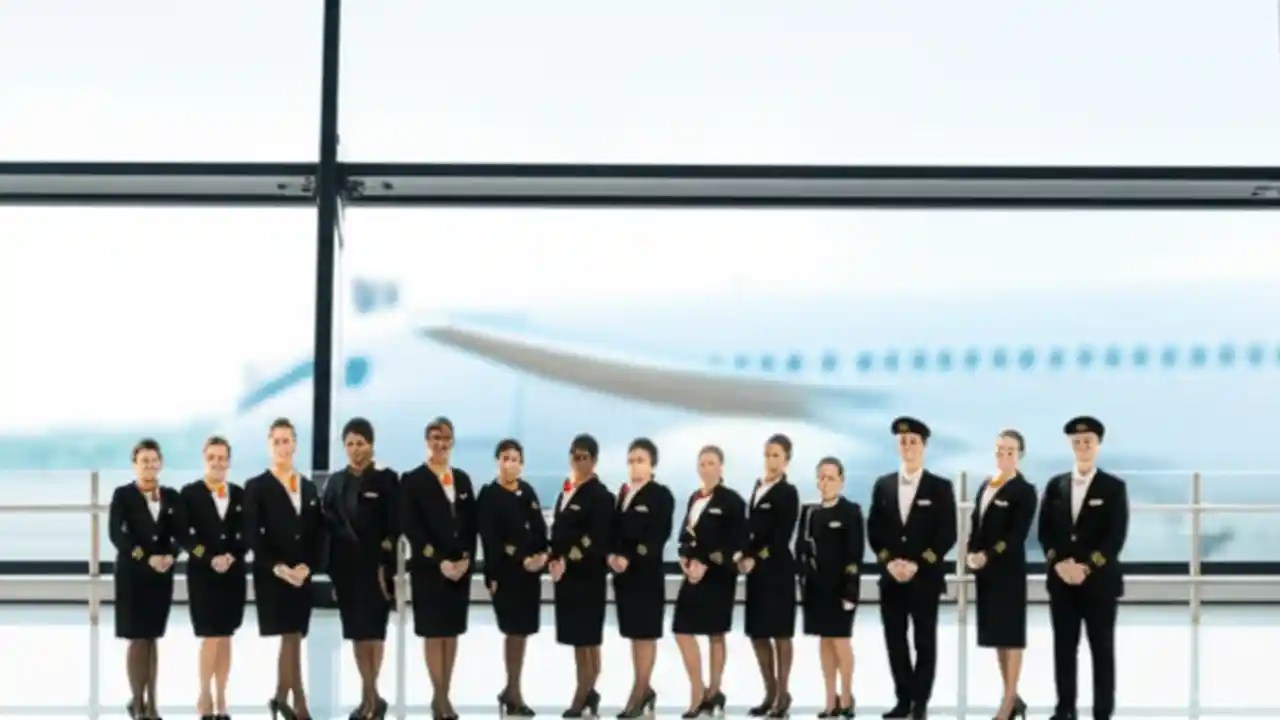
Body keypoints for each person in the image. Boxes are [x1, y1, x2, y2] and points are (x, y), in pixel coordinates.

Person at [1038, 416, 1129, 720]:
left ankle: (1102, 711)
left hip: (1099, 582)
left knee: (1101, 649)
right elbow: (1045, 532)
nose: (1082, 446)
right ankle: (1065, 709)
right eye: (1077, 442)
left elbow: (1115, 537)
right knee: (1064, 648)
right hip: (1061, 581)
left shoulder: (1114, 487)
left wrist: (1086, 567)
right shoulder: (1056, 485)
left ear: (1098, 444)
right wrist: (1060, 564)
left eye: (1088, 441)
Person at [867, 416, 958, 720]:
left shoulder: (940, 487)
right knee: (895, 641)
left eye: (913, 441)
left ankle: (920, 702)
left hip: (925, 578)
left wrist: (918, 563)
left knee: (924, 640)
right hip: (891, 578)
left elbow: (948, 534)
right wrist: (889, 561)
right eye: (903, 441)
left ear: (924, 446)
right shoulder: (883, 485)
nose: (908, 446)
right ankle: (903, 700)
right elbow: (874, 530)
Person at [242, 417, 326, 720]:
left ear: (295, 444)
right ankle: (300, 702)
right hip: (274, 574)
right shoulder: (256, 487)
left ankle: (279, 697)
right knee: (289, 633)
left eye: (286, 440)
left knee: (294, 635)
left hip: (301, 574)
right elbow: (252, 535)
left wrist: (308, 566)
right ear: (269, 445)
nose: (282, 446)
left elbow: (317, 532)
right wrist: (278, 568)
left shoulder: (307, 486)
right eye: (276, 441)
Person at [321, 418, 399, 720]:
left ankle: (371, 695)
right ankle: (370, 697)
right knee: (355, 632)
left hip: (376, 570)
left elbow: (395, 527)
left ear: (371, 444)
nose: (356, 449)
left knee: (374, 633)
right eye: (350, 444)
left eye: (361, 443)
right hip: (346, 570)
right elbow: (326, 524)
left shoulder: (386, 480)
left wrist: (386, 566)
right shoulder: (336, 482)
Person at [401, 416, 477, 720]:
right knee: (434, 633)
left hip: (460, 568)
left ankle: (445, 694)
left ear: (452, 442)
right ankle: (439, 697)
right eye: (435, 437)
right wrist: (439, 561)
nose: (440, 443)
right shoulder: (413, 480)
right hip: (429, 569)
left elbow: (471, 523)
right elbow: (411, 525)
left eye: (445, 438)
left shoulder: (462, 479)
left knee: (452, 633)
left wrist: (466, 559)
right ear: (427, 442)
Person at [965, 430, 1037, 720]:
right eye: (1000, 449)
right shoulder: (986, 485)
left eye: (1010, 450)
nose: (1004, 454)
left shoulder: (1024, 490)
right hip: (986, 573)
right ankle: (1012, 694)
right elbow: (976, 524)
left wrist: (989, 555)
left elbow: (1016, 535)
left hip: (1008, 571)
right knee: (997, 634)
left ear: (1020, 454)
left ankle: (1007, 702)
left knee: (1012, 635)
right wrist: (971, 552)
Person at [109, 438, 181, 720]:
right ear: (135, 464)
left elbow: (180, 533)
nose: (150, 465)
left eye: (154, 460)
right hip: (132, 574)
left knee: (153, 639)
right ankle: (138, 703)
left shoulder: (171, 496)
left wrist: (171, 555)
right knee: (137, 639)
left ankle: (152, 702)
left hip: (161, 575)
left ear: (160, 463)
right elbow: (117, 534)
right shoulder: (123, 495)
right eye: (144, 461)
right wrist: (145, 556)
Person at [672, 445, 745, 719]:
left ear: (721, 466)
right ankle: (697, 689)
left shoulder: (732, 501)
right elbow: (684, 537)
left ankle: (714, 692)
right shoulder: (694, 498)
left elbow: (737, 540)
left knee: (716, 633)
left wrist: (707, 562)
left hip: (719, 576)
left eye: (711, 463)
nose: (706, 468)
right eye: (702, 463)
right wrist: (685, 561)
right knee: (681, 630)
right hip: (692, 575)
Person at [477, 438, 548, 717]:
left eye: (515, 459)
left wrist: (541, 555)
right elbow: (491, 539)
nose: (510, 463)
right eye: (505, 458)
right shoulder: (489, 495)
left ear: (522, 463)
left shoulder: (527, 491)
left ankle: (512, 689)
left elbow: (539, 527)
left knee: (523, 633)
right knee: (513, 631)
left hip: (530, 575)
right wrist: (518, 560)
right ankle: (513, 692)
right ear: (498, 461)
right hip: (506, 574)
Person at [179, 436, 247, 720]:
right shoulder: (190, 493)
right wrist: (208, 557)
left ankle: (222, 696)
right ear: (204, 459)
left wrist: (232, 555)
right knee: (210, 636)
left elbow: (247, 533)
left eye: (222, 458)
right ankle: (204, 693)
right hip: (203, 575)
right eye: (212, 458)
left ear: (228, 461)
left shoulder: (240, 494)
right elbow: (184, 536)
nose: (217, 463)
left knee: (226, 635)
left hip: (232, 574)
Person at [549, 433, 615, 718]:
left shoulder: (601, 496)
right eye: (575, 456)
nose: (579, 461)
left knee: (588, 639)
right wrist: (553, 558)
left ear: (595, 460)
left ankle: (582, 693)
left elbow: (596, 538)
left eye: (585, 457)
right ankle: (589, 691)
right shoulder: (565, 491)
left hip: (587, 576)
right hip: (566, 578)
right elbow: (557, 532)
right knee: (579, 639)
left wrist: (568, 558)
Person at [609, 437, 675, 718]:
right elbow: (612, 531)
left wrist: (630, 556)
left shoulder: (660, 495)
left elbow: (658, 535)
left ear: (652, 465)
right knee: (634, 635)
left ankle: (639, 692)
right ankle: (644, 689)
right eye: (632, 460)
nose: (635, 465)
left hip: (646, 575)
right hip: (623, 578)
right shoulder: (622, 494)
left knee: (646, 635)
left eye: (641, 460)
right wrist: (611, 556)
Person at [796, 457, 864, 718]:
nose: (825, 483)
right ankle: (829, 699)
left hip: (840, 589)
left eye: (831, 478)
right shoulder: (809, 512)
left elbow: (854, 553)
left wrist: (850, 589)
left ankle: (846, 696)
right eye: (821, 478)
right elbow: (800, 548)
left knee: (841, 642)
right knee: (824, 643)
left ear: (841, 481)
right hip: (815, 588)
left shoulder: (851, 511)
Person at [739, 433, 800, 718]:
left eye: (776, 455)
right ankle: (771, 692)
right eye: (767, 454)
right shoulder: (758, 487)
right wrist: (742, 555)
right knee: (758, 633)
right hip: (756, 574)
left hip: (776, 570)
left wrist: (755, 558)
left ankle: (783, 695)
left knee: (780, 633)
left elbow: (780, 536)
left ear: (786, 459)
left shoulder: (788, 493)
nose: (771, 460)